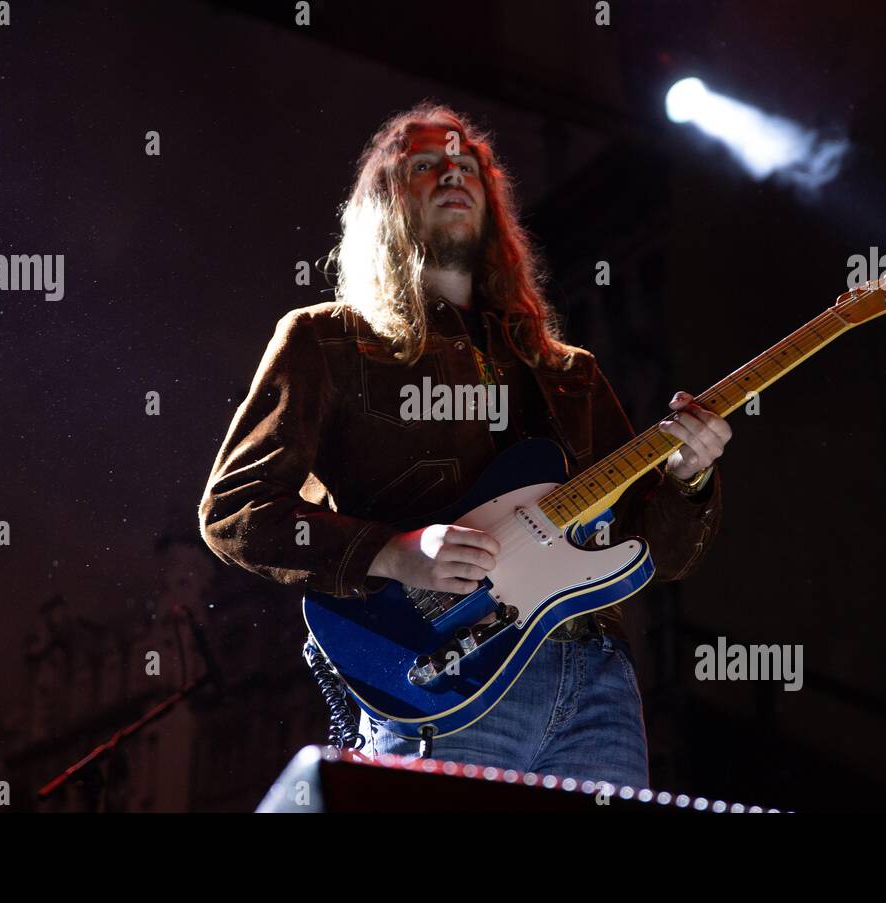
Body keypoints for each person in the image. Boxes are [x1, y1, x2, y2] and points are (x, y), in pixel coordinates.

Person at [199, 102, 731, 789]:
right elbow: (236, 509)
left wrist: (689, 479)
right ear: (386, 202)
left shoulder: (569, 372)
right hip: (447, 683)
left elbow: (656, 551)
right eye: (427, 164)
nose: (453, 172)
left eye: (467, 164)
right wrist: (391, 552)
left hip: (597, 685)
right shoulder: (325, 343)